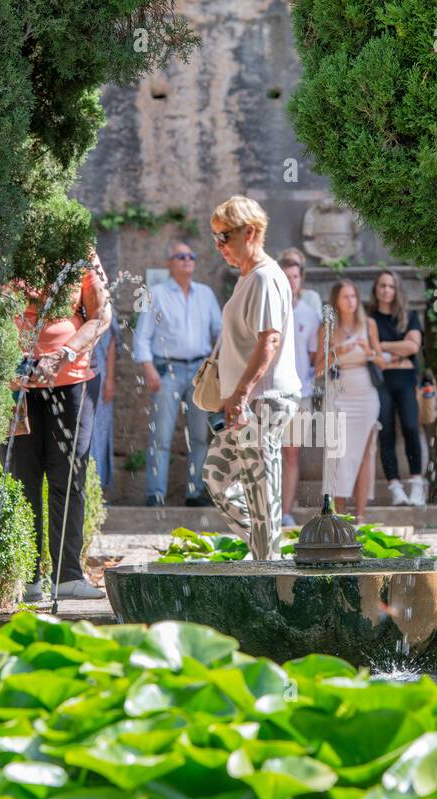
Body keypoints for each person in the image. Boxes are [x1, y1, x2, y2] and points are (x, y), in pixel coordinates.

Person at [6, 251, 111, 602]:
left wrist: (63, 353)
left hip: (72, 379)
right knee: (23, 479)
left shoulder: (79, 250)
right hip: (16, 385)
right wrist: (3, 364)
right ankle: (28, 577)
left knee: (69, 476)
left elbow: (101, 316)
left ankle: (67, 575)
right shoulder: (2, 238)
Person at [202, 196, 302, 560]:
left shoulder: (263, 276)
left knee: (261, 488)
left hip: (262, 400)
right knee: (216, 478)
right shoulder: (247, 277)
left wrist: (241, 394)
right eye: (215, 237)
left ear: (251, 232)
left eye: (224, 236)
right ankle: (266, 550)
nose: (219, 246)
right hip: (244, 402)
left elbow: (269, 340)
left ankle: (269, 566)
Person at [133, 240, 223, 507]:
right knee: (160, 436)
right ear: (169, 263)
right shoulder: (156, 293)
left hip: (199, 372)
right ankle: (155, 493)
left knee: (199, 436)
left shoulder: (206, 294)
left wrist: (220, 366)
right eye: (180, 256)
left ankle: (195, 493)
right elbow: (142, 337)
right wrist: (149, 369)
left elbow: (219, 333)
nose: (187, 260)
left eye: (191, 256)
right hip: (167, 370)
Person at [316, 279, 383, 521]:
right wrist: (338, 352)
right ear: (336, 301)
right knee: (339, 454)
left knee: (366, 452)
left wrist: (370, 352)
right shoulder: (327, 329)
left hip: (365, 394)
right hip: (339, 394)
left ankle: (361, 515)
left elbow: (381, 361)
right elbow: (317, 370)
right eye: (345, 297)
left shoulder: (369, 325)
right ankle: (340, 513)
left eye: (354, 296)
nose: (351, 302)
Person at [368, 269, 426, 506]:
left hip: (406, 379)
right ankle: (395, 487)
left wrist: (382, 345)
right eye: (382, 286)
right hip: (380, 382)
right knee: (386, 433)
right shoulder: (369, 318)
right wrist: (395, 352)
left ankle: (417, 484)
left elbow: (413, 347)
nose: (386, 290)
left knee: (412, 427)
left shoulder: (408, 316)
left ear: (397, 290)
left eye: (391, 286)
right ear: (376, 289)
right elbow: (373, 355)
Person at [278, 252, 322, 527]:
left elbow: (315, 355)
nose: (291, 281)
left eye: (295, 277)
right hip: (269, 392)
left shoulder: (309, 313)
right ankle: (264, 512)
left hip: (300, 393)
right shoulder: (268, 310)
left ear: (300, 280)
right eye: (286, 277)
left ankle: (285, 512)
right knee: (264, 453)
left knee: (291, 454)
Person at [90, 315, 120, 495]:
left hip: (98, 375)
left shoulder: (102, 301)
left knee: (98, 434)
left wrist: (109, 379)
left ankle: (96, 490)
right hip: (72, 375)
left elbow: (111, 342)